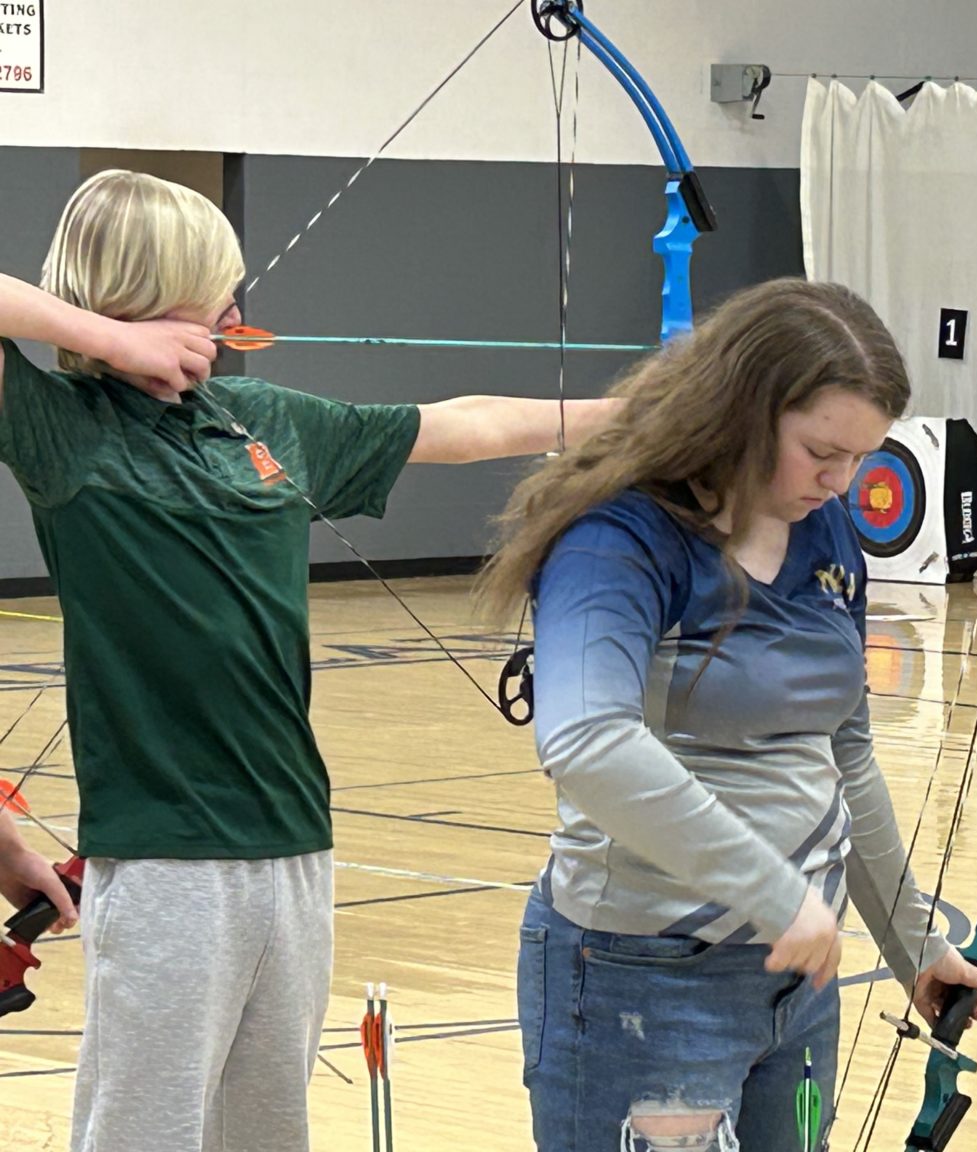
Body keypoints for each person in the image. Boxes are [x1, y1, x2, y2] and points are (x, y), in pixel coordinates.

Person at [0, 167, 615, 1152]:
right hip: (166, 860)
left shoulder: (264, 419)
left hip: (293, 844)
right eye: (212, 291)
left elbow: (464, 427)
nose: (236, 310)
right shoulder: (63, 432)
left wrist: (648, 418)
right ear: (143, 301)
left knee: (268, 1131)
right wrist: (110, 344)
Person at [479, 277, 977, 1151]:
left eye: (862, 458)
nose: (840, 483)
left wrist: (911, 942)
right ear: (744, 410)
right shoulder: (620, 536)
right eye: (819, 451)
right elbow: (587, 741)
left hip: (797, 985)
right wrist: (778, 895)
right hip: (640, 978)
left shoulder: (827, 530)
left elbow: (847, 754)